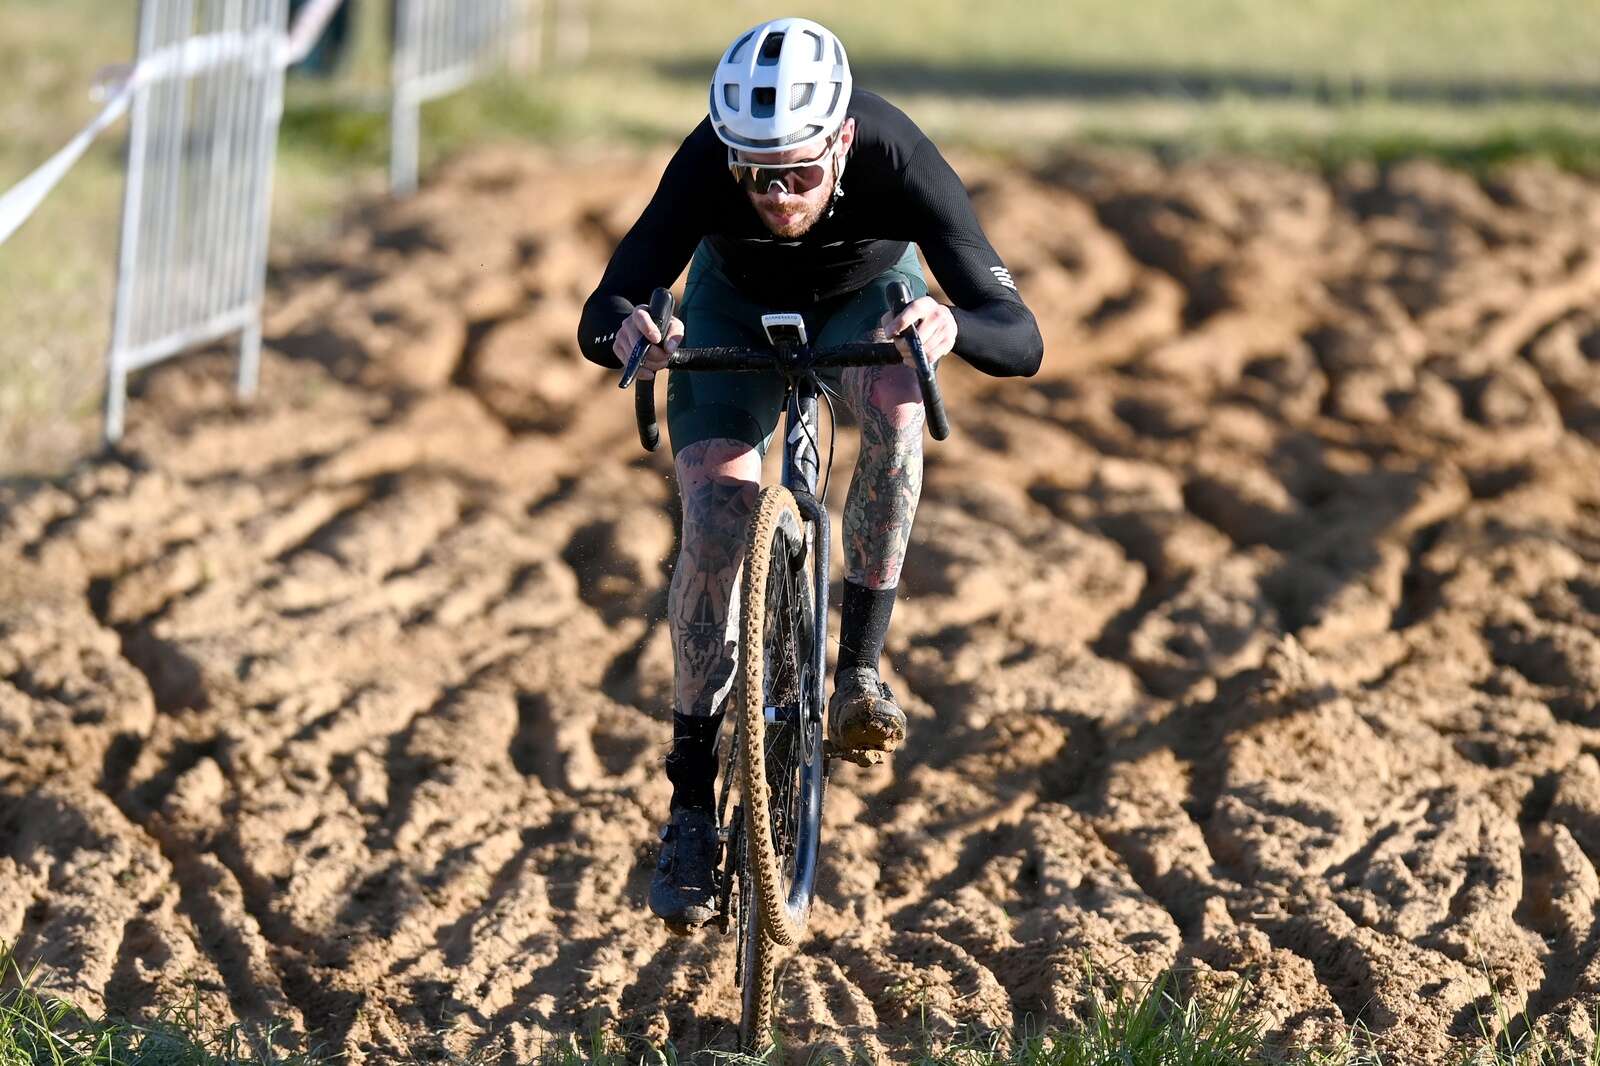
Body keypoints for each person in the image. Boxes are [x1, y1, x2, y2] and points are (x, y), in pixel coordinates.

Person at [577, 17, 1043, 932]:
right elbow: (607, 303)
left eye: (799, 171)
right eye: (757, 176)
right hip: (731, 307)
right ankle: (687, 811)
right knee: (714, 513)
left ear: (840, 143)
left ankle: (861, 672)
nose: (779, 195)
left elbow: (1019, 335)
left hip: (864, 300)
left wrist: (951, 327)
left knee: (899, 406)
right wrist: (631, 330)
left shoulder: (897, 155)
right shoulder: (708, 160)